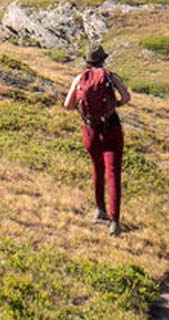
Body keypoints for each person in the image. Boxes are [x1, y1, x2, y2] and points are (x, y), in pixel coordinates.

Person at [64, 43, 132, 236]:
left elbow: (67, 105)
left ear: (87, 61)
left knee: (97, 169)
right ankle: (115, 221)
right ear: (103, 59)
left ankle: (99, 210)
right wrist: (115, 104)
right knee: (113, 173)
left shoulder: (79, 78)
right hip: (111, 127)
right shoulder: (110, 76)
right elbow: (127, 97)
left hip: (89, 130)